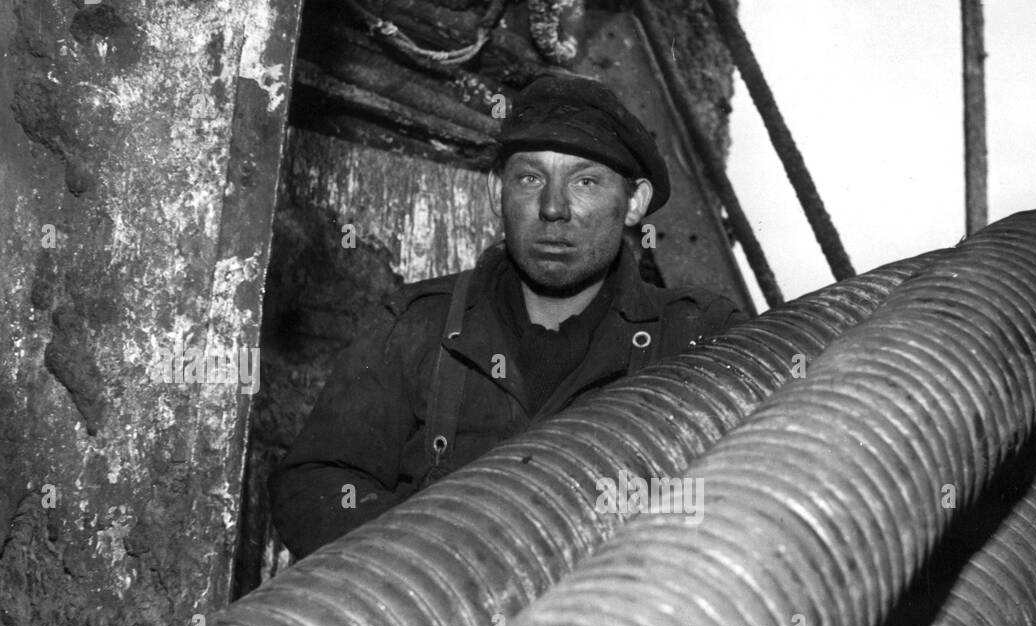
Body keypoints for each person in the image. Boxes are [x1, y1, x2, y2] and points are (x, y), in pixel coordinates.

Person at [270, 72, 746, 558]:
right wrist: (429, 556)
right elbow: (314, 485)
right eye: (530, 178)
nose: (553, 207)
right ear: (497, 192)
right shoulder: (415, 325)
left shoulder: (697, 338)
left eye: (585, 181)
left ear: (634, 203)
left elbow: (746, 506)